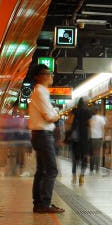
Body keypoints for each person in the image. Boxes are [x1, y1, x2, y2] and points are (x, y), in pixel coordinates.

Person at [27, 65, 64, 213]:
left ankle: (39, 203)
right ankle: (44, 203)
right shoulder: (40, 92)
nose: (51, 76)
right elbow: (49, 116)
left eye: (50, 73)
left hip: (39, 134)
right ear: (39, 76)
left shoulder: (40, 92)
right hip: (43, 134)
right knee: (51, 170)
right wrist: (57, 114)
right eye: (48, 74)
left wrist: (54, 113)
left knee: (42, 170)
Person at [70, 98, 92, 185]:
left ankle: (74, 176)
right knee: (84, 158)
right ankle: (82, 176)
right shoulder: (88, 111)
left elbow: (69, 122)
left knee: (75, 159)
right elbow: (90, 124)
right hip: (84, 137)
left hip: (75, 137)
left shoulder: (74, 110)